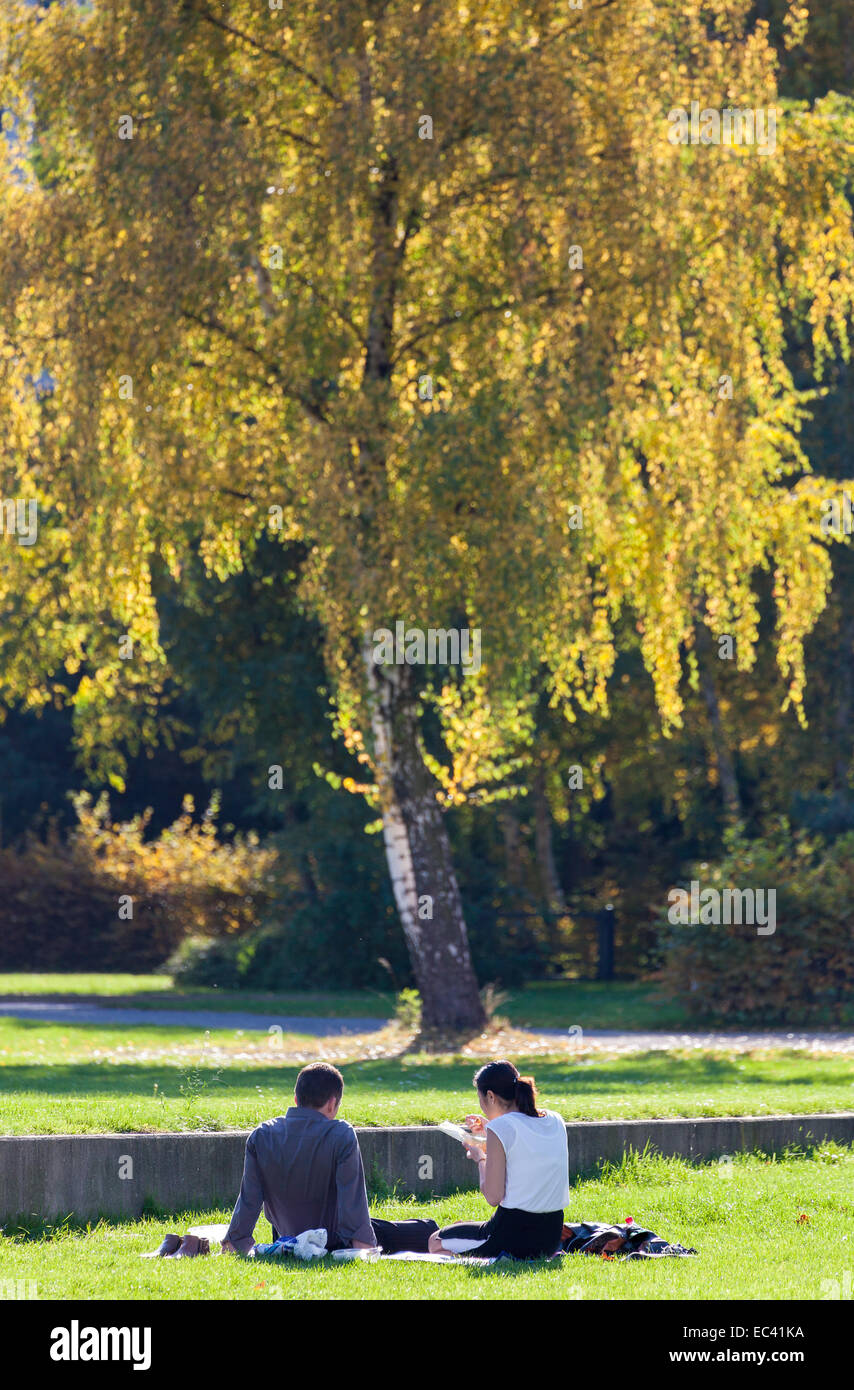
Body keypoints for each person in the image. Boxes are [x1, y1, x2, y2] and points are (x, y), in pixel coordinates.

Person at [221, 1061, 437, 1255]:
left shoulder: (262, 1135)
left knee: (387, 1227)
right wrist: (363, 1246)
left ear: (296, 1099)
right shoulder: (340, 1134)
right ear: (332, 1103)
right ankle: (439, 1232)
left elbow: (249, 1197)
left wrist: (235, 1240)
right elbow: (351, 1201)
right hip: (336, 1241)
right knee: (423, 1231)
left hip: (287, 1238)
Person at [427, 1059, 570, 1259]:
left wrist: (480, 1158)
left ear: (490, 1096)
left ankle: (470, 1258)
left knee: (435, 1240)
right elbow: (524, 1155)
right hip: (550, 1237)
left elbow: (493, 1197)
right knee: (460, 1228)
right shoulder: (555, 1119)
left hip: (510, 1237)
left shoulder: (501, 1127)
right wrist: (489, 1136)